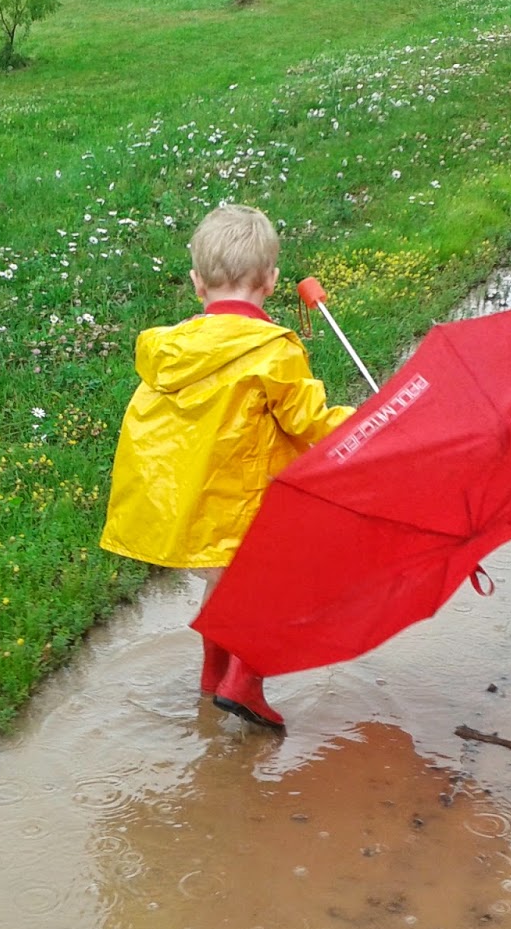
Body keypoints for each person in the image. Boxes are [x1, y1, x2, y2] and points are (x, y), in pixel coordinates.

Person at [100, 204, 354, 731]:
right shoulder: (273, 351)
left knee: (223, 587)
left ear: (197, 282)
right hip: (247, 510)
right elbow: (311, 423)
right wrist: (376, 421)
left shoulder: (172, 350)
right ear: (271, 280)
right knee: (284, 586)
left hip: (193, 513)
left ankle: (213, 676)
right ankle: (245, 682)